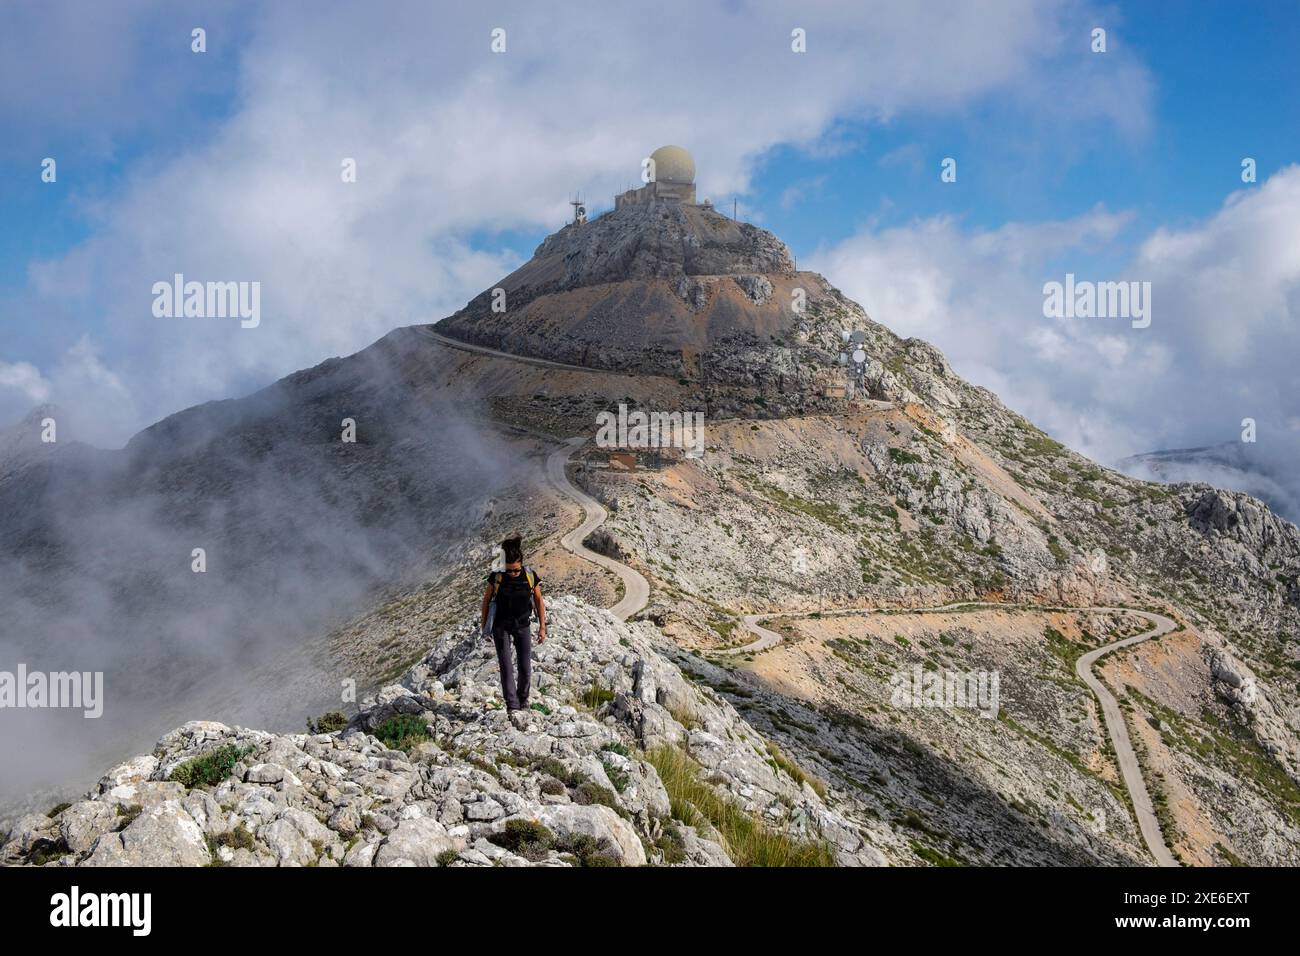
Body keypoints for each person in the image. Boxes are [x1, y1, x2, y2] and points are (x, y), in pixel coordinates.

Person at [480, 536, 546, 719]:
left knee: (525, 666)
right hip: (501, 627)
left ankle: (523, 699)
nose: (513, 574)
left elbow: (539, 601)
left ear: (521, 565)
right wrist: (484, 625)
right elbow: (486, 600)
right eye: (509, 571)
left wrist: (542, 627)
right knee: (506, 666)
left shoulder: (530, 575)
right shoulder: (497, 577)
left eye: (516, 570)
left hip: (523, 625)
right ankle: (512, 705)